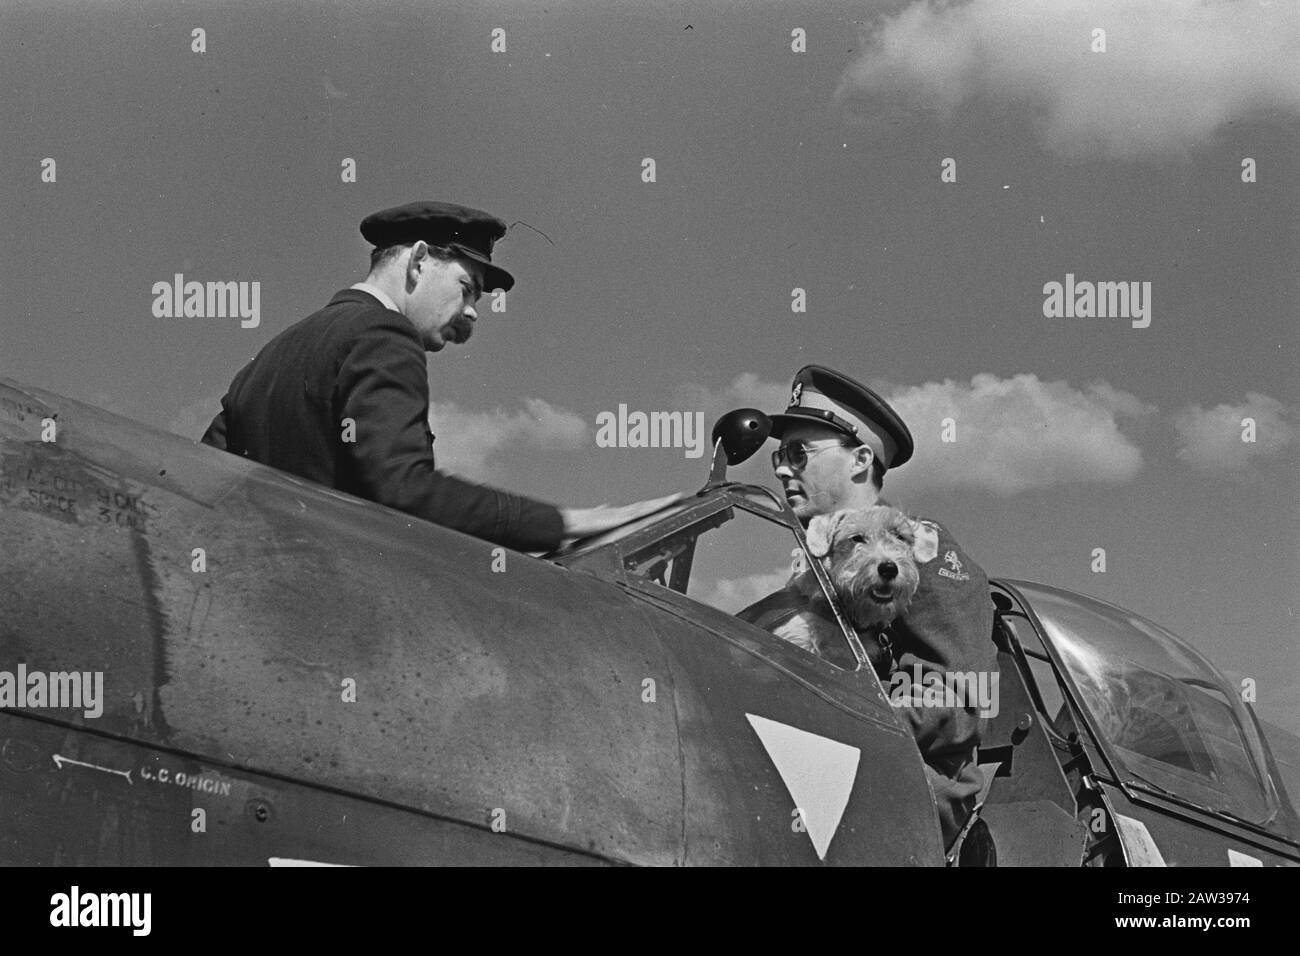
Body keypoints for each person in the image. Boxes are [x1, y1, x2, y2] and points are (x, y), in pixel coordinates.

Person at [201, 200, 674, 551]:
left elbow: (207, 481)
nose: (472, 314)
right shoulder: (385, 335)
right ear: (420, 260)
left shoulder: (272, 354)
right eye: (467, 289)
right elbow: (402, 486)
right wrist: (565, 523)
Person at [753, 365, 997, 854]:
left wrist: (828, 718)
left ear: (861, 458)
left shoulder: (922, 550)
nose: (781, 467)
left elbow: (964, 699)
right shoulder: (811, 570)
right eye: (780, 455)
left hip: (893, 805)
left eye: (798, 452)